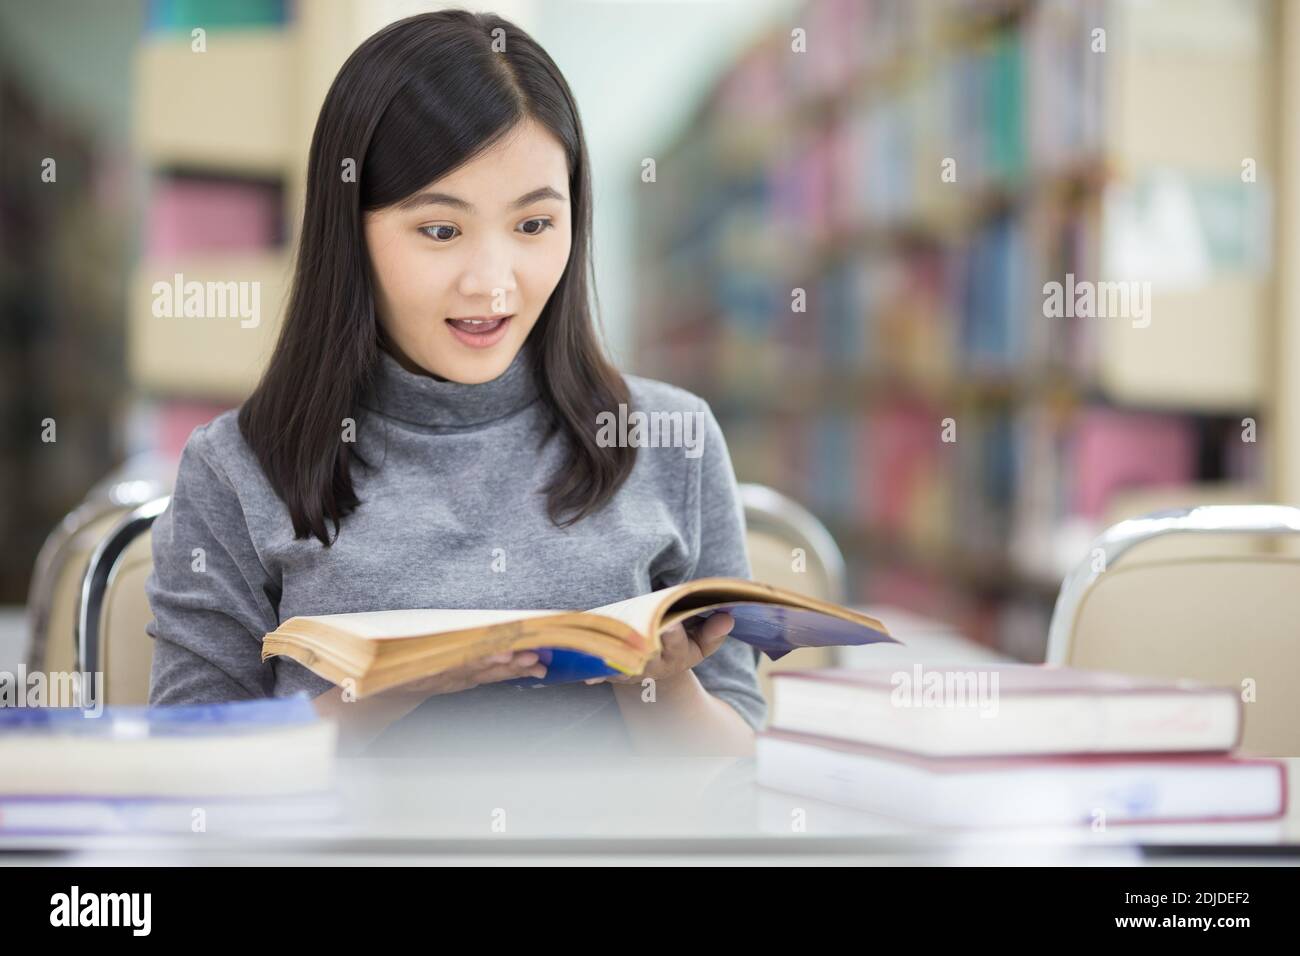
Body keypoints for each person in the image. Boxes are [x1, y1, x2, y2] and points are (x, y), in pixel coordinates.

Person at [145, 9, 765, 758]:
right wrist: (376, 694)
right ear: (351, 230)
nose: (493, 284)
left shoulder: (674, 440)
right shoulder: (235, 467)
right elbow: (189, 767)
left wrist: (663, 686)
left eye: (534, 226)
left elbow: (735, 768)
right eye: (440, 230)